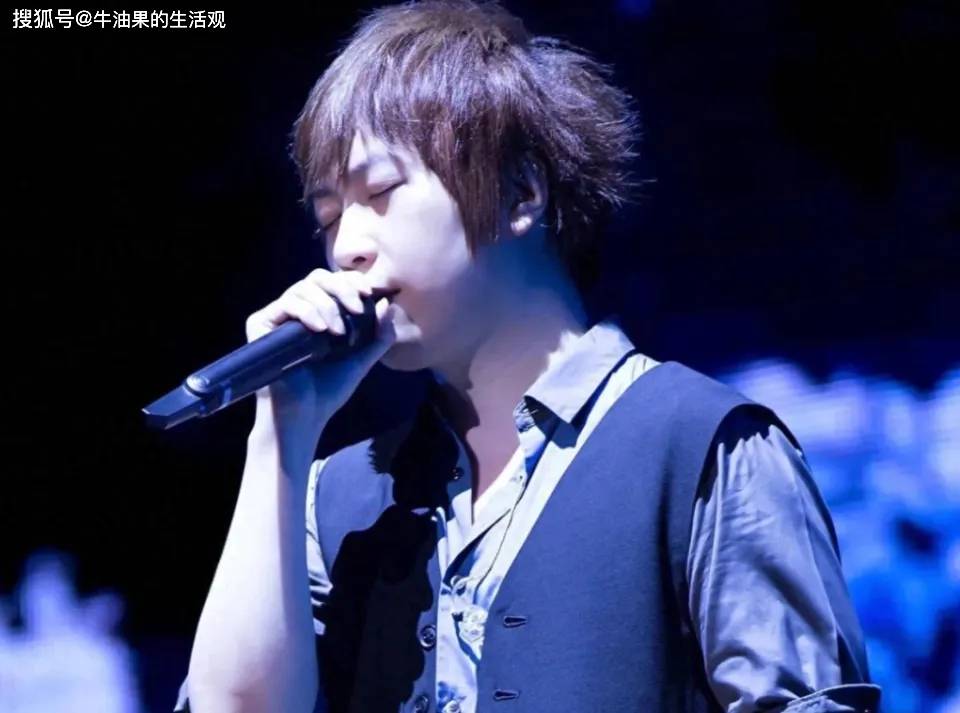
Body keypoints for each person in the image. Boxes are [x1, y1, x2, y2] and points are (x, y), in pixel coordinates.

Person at [176, 2, 881, 711]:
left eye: (380, 191)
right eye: (329, 216)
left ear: (520, 194)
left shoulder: (704, 445)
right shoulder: (335, 495)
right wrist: (280, 435)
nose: (347, 247)